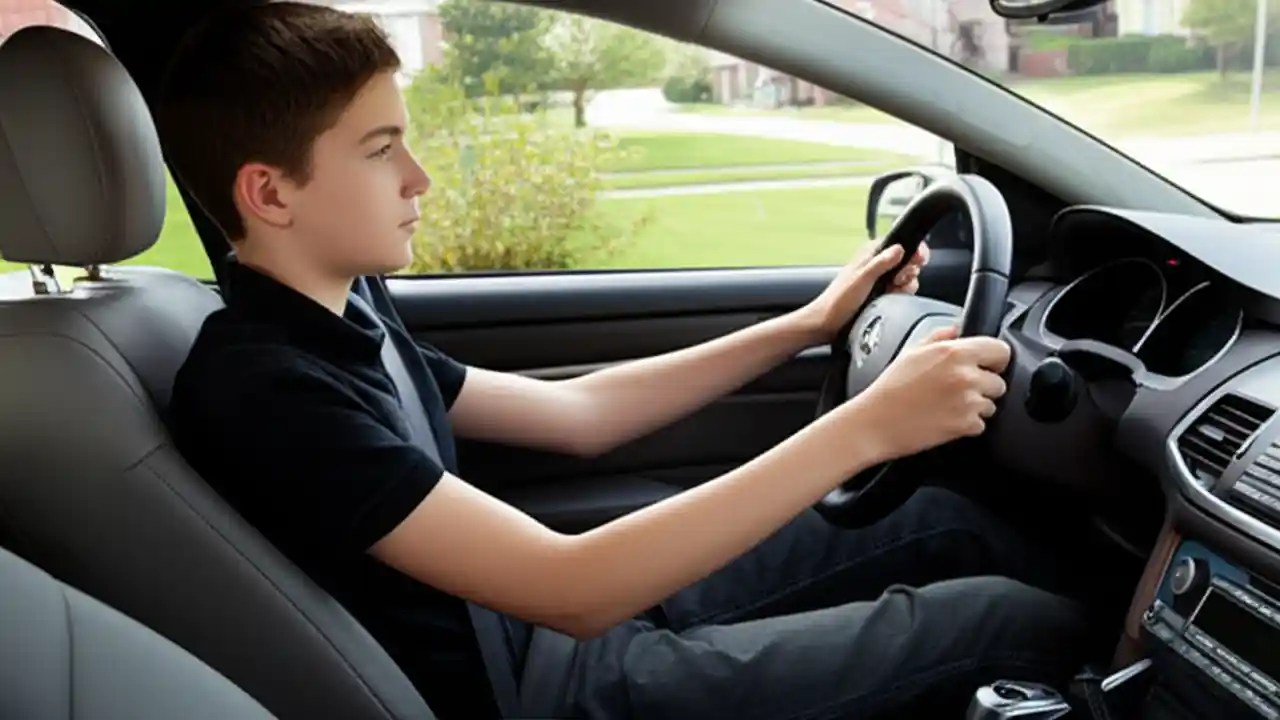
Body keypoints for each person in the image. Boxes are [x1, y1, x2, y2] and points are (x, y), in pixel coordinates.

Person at [158, 4, 1094, 718]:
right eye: (380, 149)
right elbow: (573, 590)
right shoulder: (266, 390)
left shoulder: (344, 311)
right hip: (545, 685)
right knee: (1002, 624)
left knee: (941, 521)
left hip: (538, 626)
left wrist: (806, 324)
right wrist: (869, 425)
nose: (419, 179)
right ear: (269, 193)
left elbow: (581, 415)